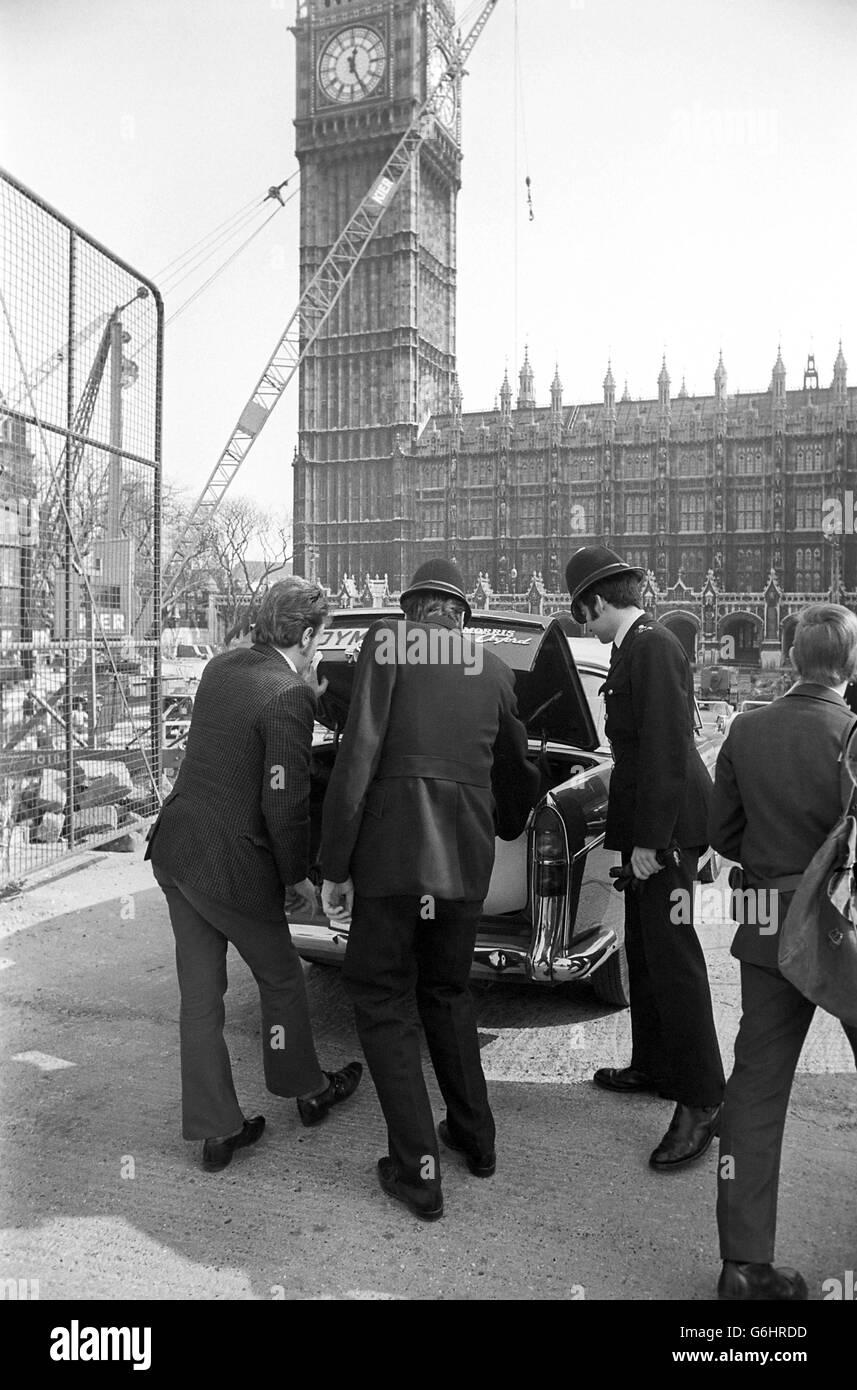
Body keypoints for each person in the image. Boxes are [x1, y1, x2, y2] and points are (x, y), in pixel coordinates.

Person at [320, 559, 540, 1221]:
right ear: (461, 614)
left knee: (383, 1002)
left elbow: (357, 755)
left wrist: (333, 863)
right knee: (446, 993)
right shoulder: (494, 670)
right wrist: (503, 823)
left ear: (409, 608)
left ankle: (418, 1172)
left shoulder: (385, 647)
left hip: (392, 859)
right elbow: (517, 766)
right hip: (462, 862)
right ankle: (475, 1139)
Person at [146, 579, 361, 1171]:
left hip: (178, 851)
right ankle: (308, 1089)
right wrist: (298, 881)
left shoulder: (222, 668)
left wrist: (305, 698)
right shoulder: (287, 695)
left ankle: (218, 1132)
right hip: (232, 867)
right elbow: (284, 804)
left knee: (200, 1000)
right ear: (312, 634)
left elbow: (248, 726)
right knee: (282, 978)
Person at [709, 602, 857, 1300]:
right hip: (846, 929)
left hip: (770, 921)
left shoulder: (746, 729)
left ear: (792, 660)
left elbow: (720, 836)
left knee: (756, 1091)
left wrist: (771, 867)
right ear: (849, 665)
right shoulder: (850, 736)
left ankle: (742, 1265)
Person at [566, 546, 724, 1170]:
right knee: (648, 953)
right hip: (655, 828)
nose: (582, 626)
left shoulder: (651, 647)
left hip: (673, 834)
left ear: (596, 601)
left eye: (582, 613)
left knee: (674, 958)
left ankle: (703, 1099)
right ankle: (655, 1065)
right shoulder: (636, 645)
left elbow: (661, 749)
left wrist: (649, 845)